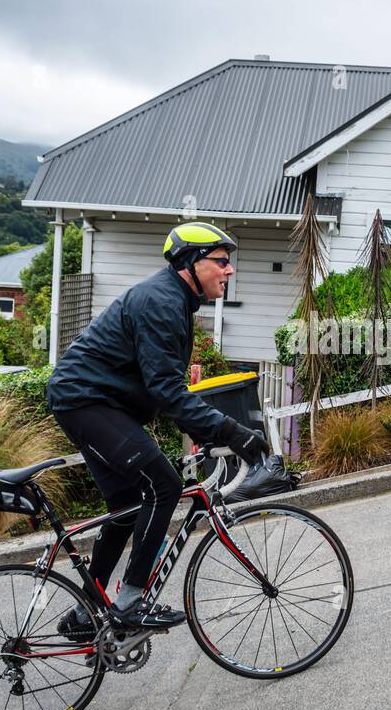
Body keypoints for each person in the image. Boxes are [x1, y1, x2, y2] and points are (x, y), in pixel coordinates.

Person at [46, 221, 269, 637]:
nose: (229, 270)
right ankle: (130, 602)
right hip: (86, 400)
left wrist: (206, 431)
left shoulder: (176, 300)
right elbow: (167, 392)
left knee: (126, 504)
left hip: (99, 402)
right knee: (163, 486)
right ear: (191, 262)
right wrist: (234, 432)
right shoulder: (163, 302)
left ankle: (85, 614)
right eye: (221, 261)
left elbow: (168, 389)